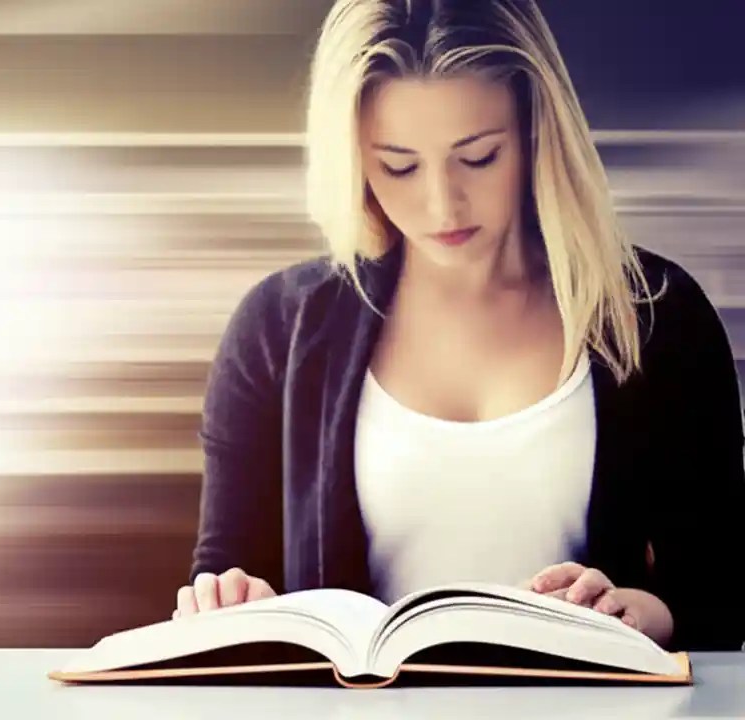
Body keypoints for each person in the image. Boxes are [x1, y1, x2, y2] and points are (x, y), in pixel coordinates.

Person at [173, 0, 745, 652]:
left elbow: (722, 593)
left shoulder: (658, 316)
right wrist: (234, 604)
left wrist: (639, 611)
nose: (442, 203)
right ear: (353, 156)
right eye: (399, 165)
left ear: (537, 132)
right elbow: (223, 577)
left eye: (477, 157)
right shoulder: (277, 329)